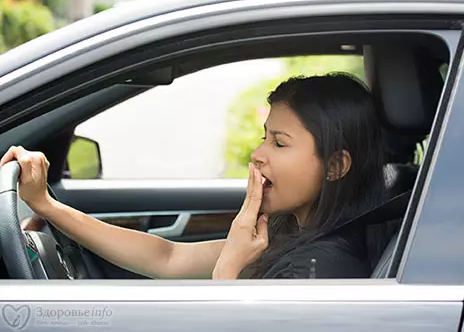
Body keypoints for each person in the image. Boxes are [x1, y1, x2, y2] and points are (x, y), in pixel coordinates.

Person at [0, 73, 388, 280]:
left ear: (336, 165)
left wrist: (228, 269)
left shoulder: (322, 272)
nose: (257, 154)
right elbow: (167, 256)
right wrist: (48, 206)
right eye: (263, 137)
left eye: (280, 144)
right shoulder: (294, 232)